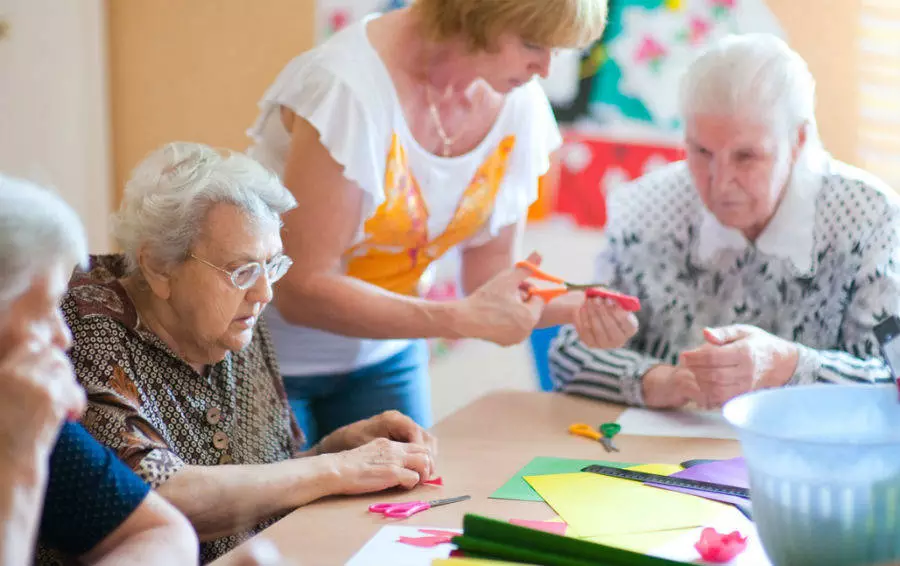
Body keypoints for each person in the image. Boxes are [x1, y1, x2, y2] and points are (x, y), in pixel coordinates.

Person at [246, 0, 626, 445]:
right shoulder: (347, 87)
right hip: (272, 360)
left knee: (400, 505)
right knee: (280, 513)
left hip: (388, 357)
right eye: (532, 43)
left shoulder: (517, 103)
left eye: (556, 50)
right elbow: (301, 291)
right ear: (474, 12)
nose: (544, 68)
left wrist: (582, 309)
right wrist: (460, 319)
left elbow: (488, 276)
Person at [67, 142, 439, 564]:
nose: (263, 293)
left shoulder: (231, 317)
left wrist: (331, 452)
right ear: (158, 267)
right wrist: (339, 470)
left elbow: (260, 480)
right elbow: (151, 501)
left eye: (273, 266)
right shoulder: (88, 324)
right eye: (242, 271)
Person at [549, 33, 900, 409]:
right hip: (656, 455)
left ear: (798, 140)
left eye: (746, 156)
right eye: (701, 151)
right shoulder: (646, 209)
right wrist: (658, 381)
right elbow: (568, 355)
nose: (719, 181)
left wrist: (788, 365)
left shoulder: (869, 218)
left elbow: (892, 380)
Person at [0, 175, 198, 566]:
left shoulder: (18, 405)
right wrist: (18, 458)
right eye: (44, 310)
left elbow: (162, 532)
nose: (63, 337)